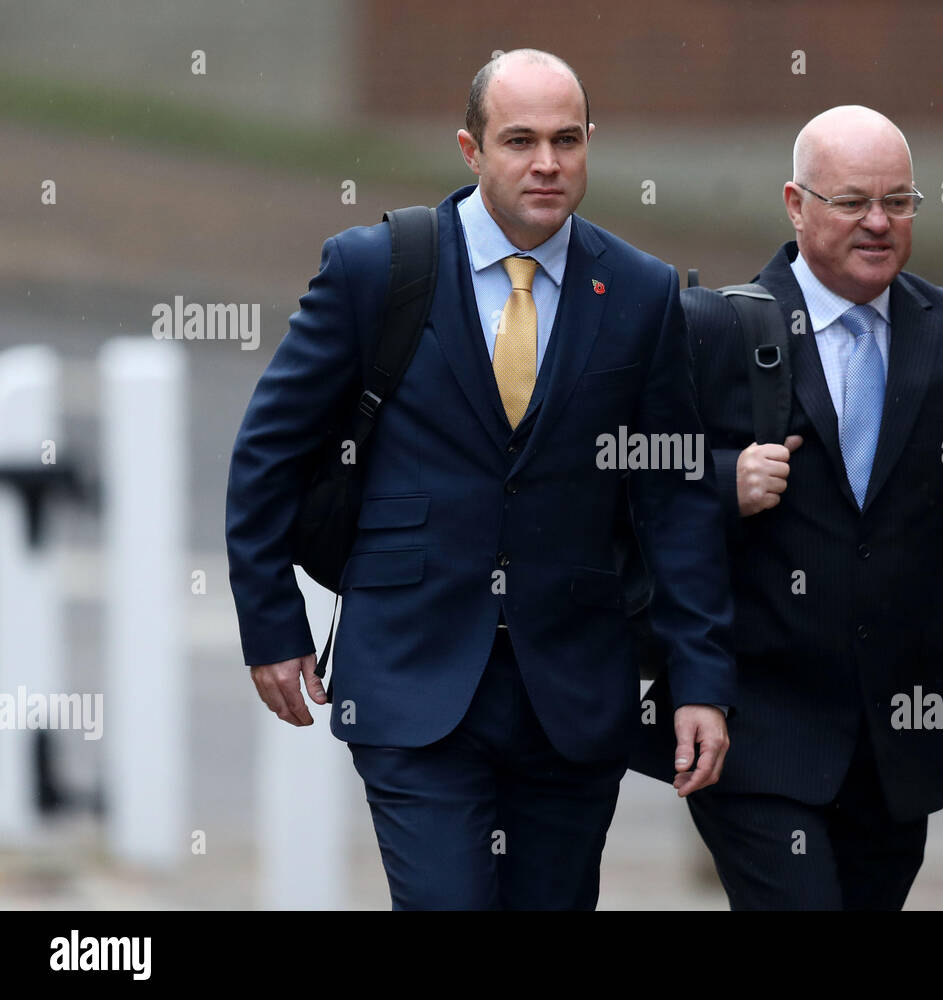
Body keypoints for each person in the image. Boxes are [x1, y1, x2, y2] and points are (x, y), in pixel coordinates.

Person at [225, 49, 735, 910]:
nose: (546, 163)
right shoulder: (375, 268)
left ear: (589, 145)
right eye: (520, 140)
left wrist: (702, 684)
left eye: (566, 140)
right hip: (413, 673)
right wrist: (271, 624)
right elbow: (267, 450)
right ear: (471, 150)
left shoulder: (642, 293)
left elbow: (674, 498)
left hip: (571, 693)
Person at [632, 105, 943, 910]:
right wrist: (723, 481)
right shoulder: (712, 328)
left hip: (900, 738)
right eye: (853, 201)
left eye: (899, 202)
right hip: (758, 723)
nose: (879, 223)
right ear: (796, 204)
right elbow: (634, 481)